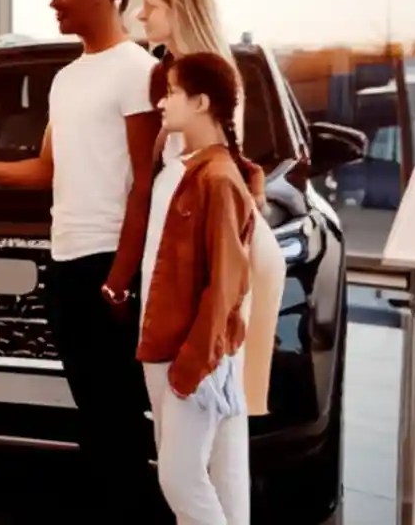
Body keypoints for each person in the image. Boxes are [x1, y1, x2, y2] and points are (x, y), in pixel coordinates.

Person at [0, 0, 165, 520]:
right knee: (94, 414)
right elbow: (47, 170)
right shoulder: (68, 78)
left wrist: (121, 280)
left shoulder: (137, 71)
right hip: (68, 262)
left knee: (119, 418)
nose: (55, 1)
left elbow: (143, 185)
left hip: (110, 266)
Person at [137, 0, 285, 420]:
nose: (141, 16)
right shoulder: (178, 73)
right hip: (189, 245)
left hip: (204, 250)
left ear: (179, 10)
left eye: (151, 6)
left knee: (212, 410)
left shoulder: (203, 82)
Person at [138, 51, 259, 524]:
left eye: (170, 92)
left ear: (202, 101)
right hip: (170, 350)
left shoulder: (218, 178)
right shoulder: (193, 171)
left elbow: (227, 284)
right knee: (183, 479)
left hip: (192, 357)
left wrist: (191, 366)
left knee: (180, 478)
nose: (162, 103)